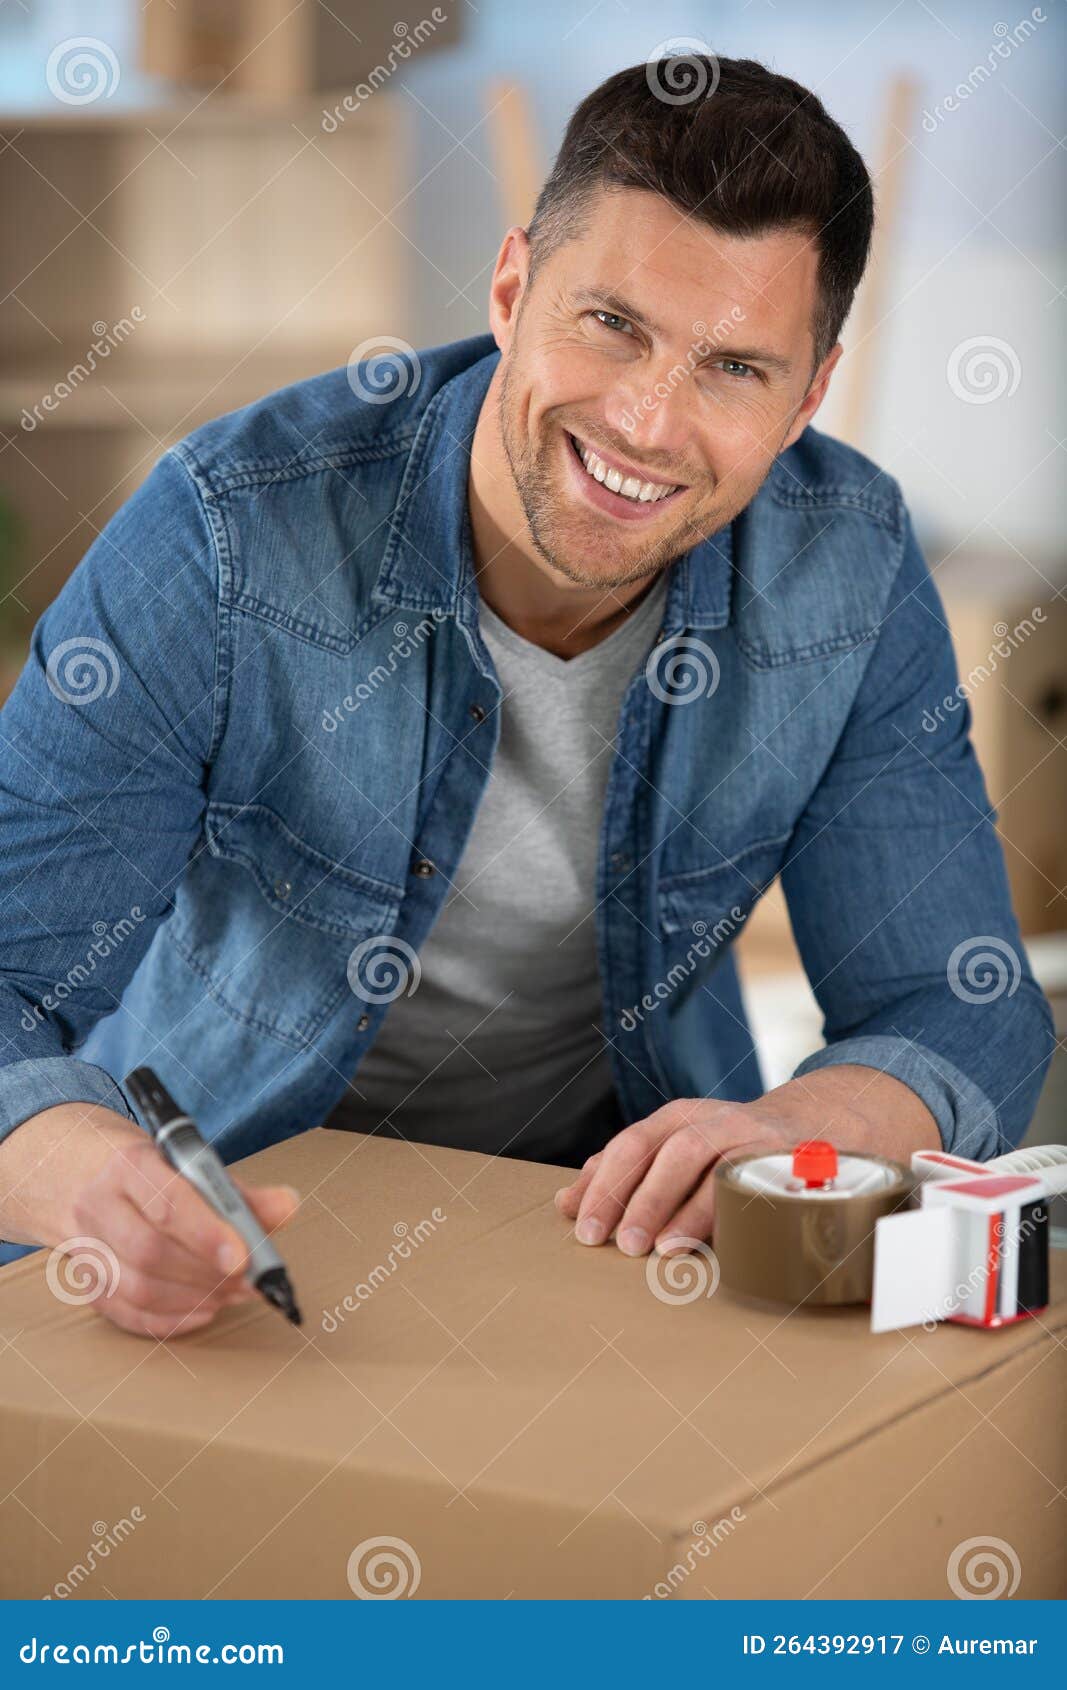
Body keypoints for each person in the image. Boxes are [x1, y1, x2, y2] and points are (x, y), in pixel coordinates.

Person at [0, 57, 1052, 1336]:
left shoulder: (850, 560)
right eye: (610, 323)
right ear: (510, 288)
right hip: (234, 1215)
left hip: (614, 1237)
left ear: (808, 397)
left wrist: (797, 1124)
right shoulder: (227, 531)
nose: (647, 422)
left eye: (733, 367)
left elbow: (957, 996)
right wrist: (88, 1185)